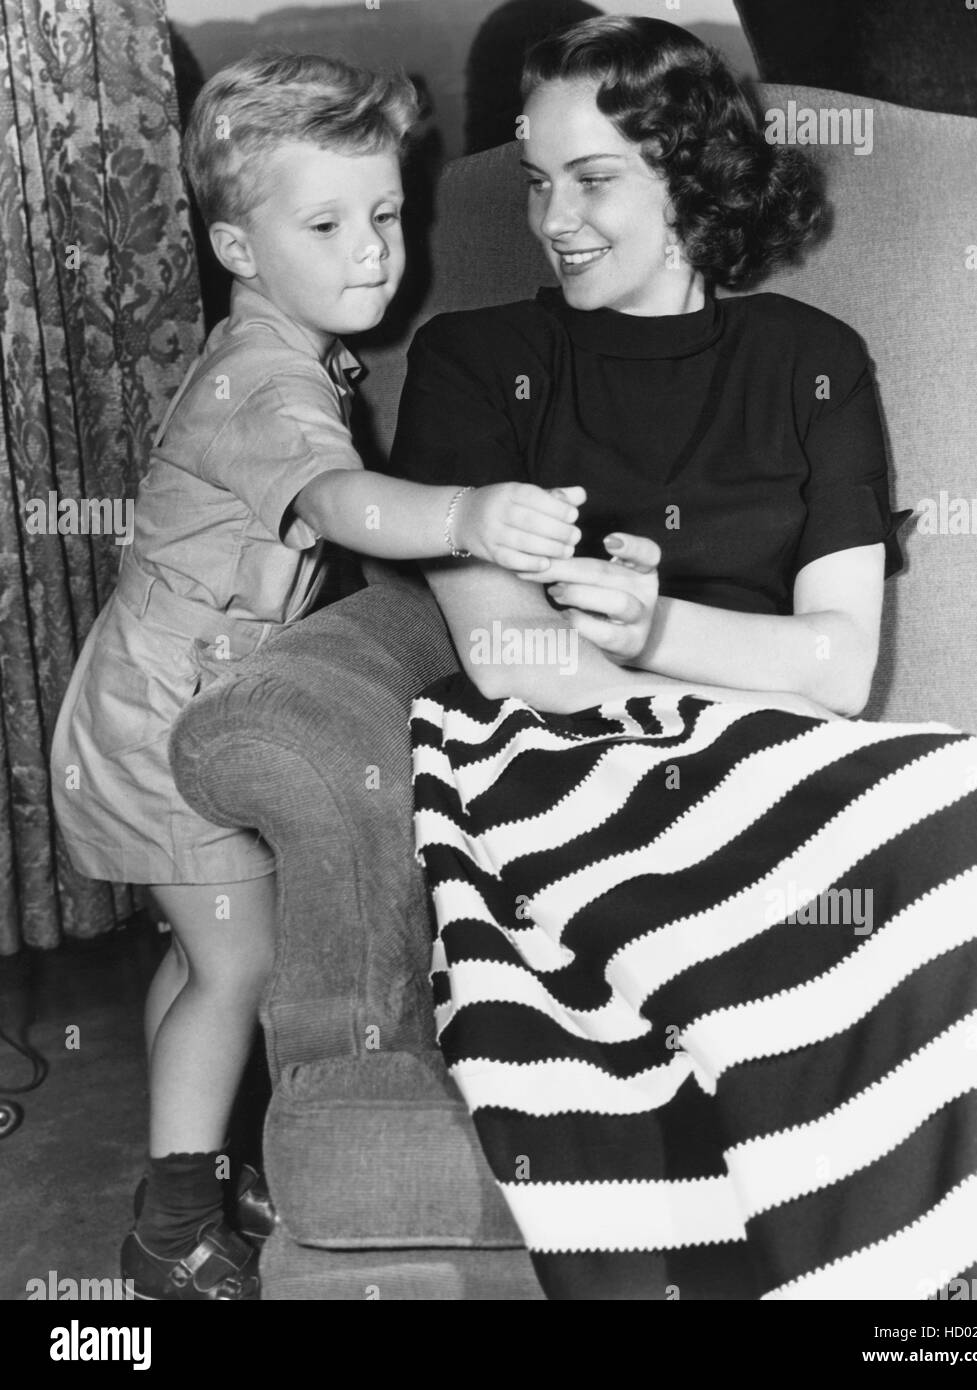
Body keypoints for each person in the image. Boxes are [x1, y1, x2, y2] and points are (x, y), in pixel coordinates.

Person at [390, 16, 977, 1299]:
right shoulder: (473, 363)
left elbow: (842, 671)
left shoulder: (811, 364)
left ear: (690, 179)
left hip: (780, 756)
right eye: (537, 182)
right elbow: (514, 656)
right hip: (553, 769)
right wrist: (735, 670)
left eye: (593, 180)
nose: (552, 221)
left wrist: (652, 629)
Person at [49, 52, 584, 1302]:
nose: (375, 251)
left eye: (388, 214)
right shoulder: (270, 380)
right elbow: (339, 500)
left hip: (152, 701)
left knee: (197, 961)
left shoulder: (289, 349)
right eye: (329, 223)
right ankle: (170, 1226)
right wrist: (470, 513)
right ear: (238, 245)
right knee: (237, 962)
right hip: (161, 721)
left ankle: (194, 1165)